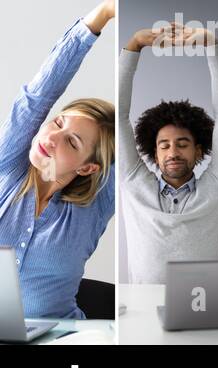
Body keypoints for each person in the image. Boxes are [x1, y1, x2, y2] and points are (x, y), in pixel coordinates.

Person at [0, 0, 116, 319]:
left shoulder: (97, 204)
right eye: (58, 122)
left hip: (65, 342)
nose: (51, 137)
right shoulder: (9, 169)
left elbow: (135, 155)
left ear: (88, 167)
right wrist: (104, 13)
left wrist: (133, 49)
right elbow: (38, 97)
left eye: (72, 141)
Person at [119, 22, 218, 285]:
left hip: (201, 309)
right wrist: (134, 45)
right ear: (155, 153)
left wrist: (212, 44)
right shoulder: (133, 182)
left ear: (198, 150)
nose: (173, 152)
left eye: (182, 144)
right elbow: (120, 116)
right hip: (140, 308)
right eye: (164, 145)